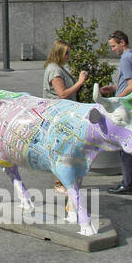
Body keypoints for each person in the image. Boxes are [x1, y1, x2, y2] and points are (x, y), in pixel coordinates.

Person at [106, 30, 132, 195]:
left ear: (122, 42)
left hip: (127, 107)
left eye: (114, 45)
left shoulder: (126, 59)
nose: (113, 49)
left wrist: (114, 99)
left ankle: (128, 183)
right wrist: (115, 87)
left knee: (125, 146)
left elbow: (130, 86)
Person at [42, 39, 88, 193]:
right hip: (58, 115)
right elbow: (62, 94)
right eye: (66, 53)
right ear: (59, 53)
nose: (69, 56)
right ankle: (59, 182)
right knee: (62, 149)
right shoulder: (54, 70)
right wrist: (80, 82)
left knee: (65, 148)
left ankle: (63, 180)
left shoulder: (59, 68)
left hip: (64, 114)